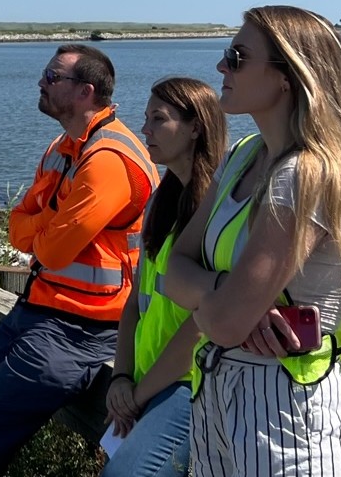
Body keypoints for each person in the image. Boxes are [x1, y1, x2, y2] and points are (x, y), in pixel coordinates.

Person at [155, 6, 341, 477]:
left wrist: (226, 305)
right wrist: (225, 295)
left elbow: (229, 323)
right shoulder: (242, 155)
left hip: (286, 415)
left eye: (237, 56)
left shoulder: (308, 174)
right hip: (220, 398)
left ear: (287, 77)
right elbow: (172, 270)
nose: (220, 68)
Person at [0, 44, 156, 477]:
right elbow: (17, 226)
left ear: (85, 92)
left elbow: (50, 249)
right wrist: (47, 223)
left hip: (84, 328)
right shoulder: (64, 146)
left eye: (52, 77)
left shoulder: (109, 161)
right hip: (39, 308)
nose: (40, 82)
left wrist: (42, 224)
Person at [99, 77, 227, 477]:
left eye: (158, 119)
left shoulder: (217, 209)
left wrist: (136, 394)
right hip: (144, 378)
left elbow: (199, 325)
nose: (145, 130)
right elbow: (136, 300)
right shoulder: (160, 198)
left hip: (191, 385)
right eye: (146, 118)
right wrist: (121, 376)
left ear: (195, 127)